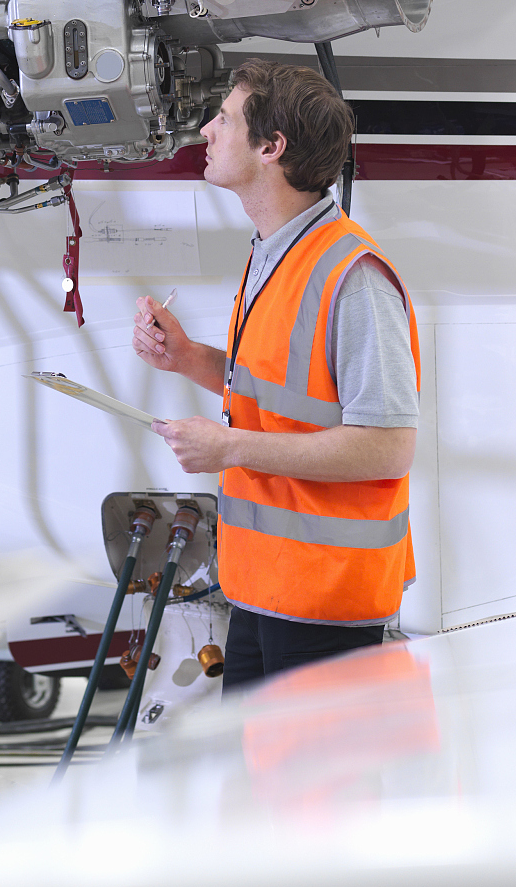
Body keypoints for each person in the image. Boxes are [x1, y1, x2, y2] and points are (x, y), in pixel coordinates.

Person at [134, 58, 419, 689]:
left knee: (309, 788)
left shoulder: (354, 278)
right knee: (259, 783)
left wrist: (229, 446)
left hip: (324, 602)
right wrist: (185, 356)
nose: (206, 131)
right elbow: (276, 395)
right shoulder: (275, 252)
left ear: (272, 147)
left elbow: (387, 446)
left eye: (225, 119)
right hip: (264, 589)